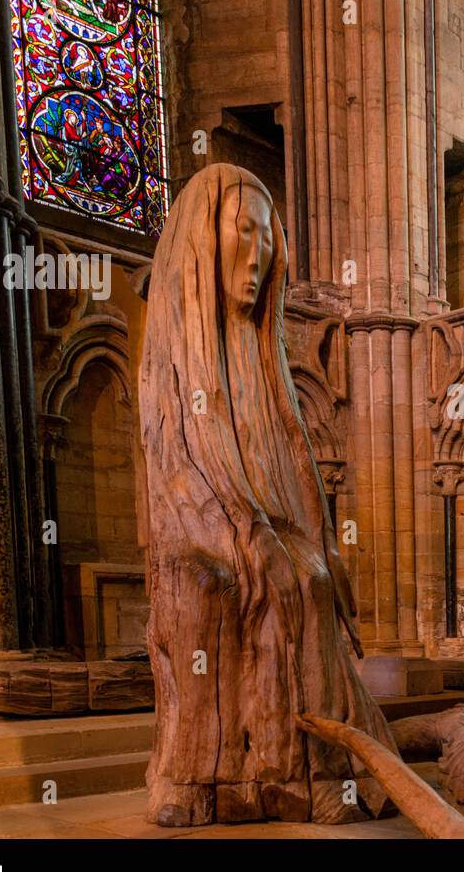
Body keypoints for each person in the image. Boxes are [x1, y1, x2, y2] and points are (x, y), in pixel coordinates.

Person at [138, 164, 395, 826]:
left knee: (311, 578)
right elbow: (175, 472)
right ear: (202, 245)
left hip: (263, 531)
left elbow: (295, 467)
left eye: (266, 238)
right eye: (240, 233)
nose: (256, 257)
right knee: (212, 586)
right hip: (198, 536)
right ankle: (199, 775)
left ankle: (309, 772)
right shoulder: (176, 358)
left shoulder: (263, 360)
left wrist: (318, 545)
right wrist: (239, 535)